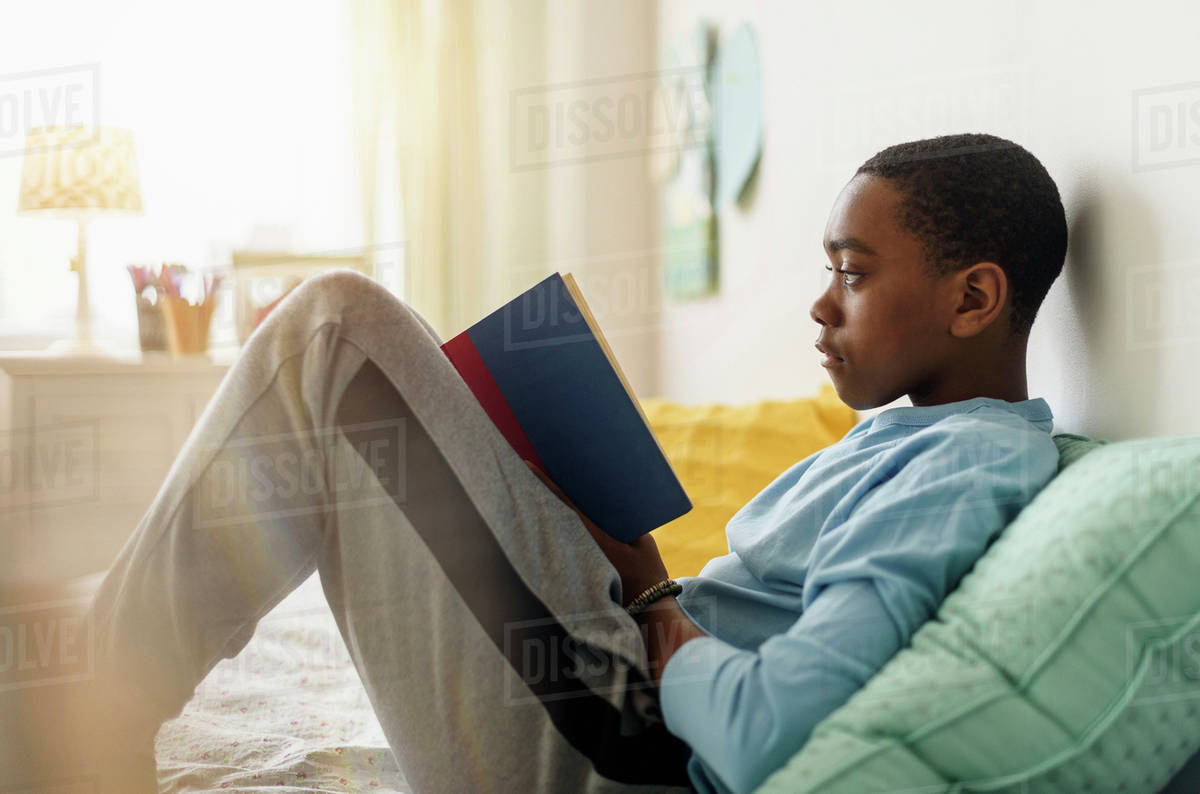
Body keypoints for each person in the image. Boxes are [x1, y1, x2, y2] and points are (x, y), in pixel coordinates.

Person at [63, 132, 1065, 793]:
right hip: (613, 677)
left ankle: (87, 711)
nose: (820, 304)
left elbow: (768, 725)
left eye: (850, 273)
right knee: (393, 366)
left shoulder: (962, 469)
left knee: (337, 327)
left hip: (627, 746)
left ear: (974, 299)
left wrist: (660, 608)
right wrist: (638, 580)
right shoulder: (908, 436)